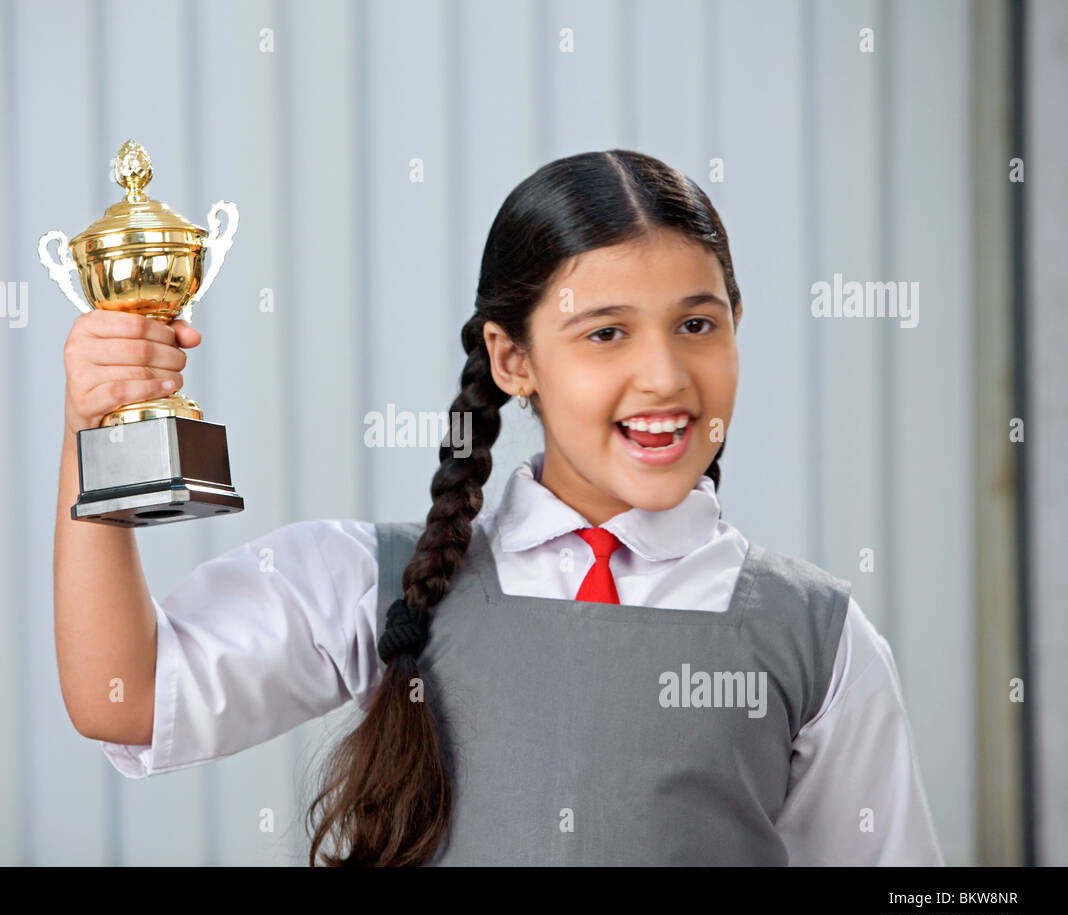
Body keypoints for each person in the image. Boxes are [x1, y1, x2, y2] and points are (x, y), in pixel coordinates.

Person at [54, 149, 944, 867]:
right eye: (605, 332)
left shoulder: (820, 639)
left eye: (697, 324)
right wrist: (91, 433)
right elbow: (123, 697)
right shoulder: (372, 586)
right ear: (512, 359)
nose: (666, 375)